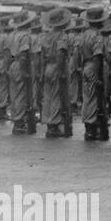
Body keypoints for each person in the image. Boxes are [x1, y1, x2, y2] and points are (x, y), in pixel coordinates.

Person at [40, 8, 71, 138]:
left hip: (47, 67)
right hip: (57, 67)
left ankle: (48, 123)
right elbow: (60, 53)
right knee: (57, 96)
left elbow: (42, 55)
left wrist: (41, 71)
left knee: (47, 96)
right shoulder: (62, 36)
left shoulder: (46, 36)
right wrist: (61, 71)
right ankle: (54, 126)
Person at [79, 7, 109, 141]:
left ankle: (88, 126)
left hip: (85, 65)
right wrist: (98, 77)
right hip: (93, 66)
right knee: (93, 98)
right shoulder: (97, 36)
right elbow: (98, 56)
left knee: (87, 97)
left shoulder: (84, 35)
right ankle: (91, 129)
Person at [0, 15, 11, 129]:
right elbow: (7, 54)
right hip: (1, 63)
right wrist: (6, 67)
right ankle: (2, 111)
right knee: (3, 88)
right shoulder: (5, 37)